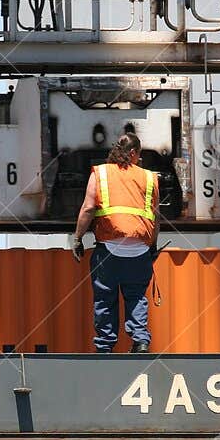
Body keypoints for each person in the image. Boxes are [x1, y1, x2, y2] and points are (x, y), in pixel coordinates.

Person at [72, 132, 159, 353]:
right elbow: (155, 216)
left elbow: (88, 208)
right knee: (137, 297)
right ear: (133, 153)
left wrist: (77, 238)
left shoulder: (100, 173)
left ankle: (105, 346)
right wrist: (153, 245)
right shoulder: (149, 177)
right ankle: (140, 341)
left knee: (105, 297)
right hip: (139, 251)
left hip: (109, 250)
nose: (139, 160)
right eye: (138, 155)